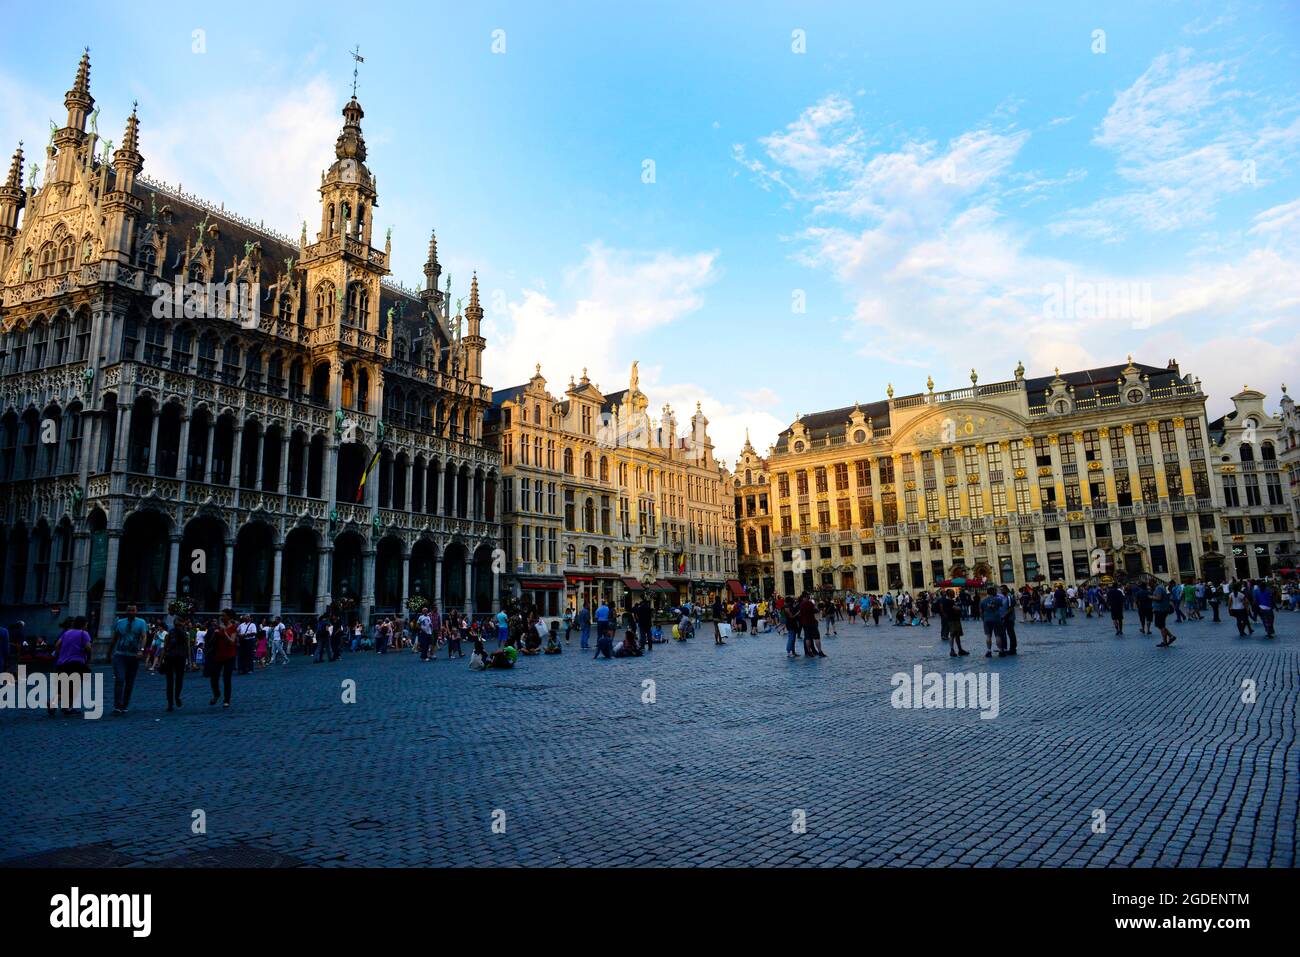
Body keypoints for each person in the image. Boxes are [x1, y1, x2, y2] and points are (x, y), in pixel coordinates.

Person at [49, 616, 94, 716]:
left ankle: (64, 707)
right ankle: (58, 704)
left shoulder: (67, 633)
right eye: (86, 624)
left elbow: (57, 645)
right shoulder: (84, 633)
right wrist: (87, 654)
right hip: (76, 663)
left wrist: (61, 654)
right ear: (83, 624)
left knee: (63, 686)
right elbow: (88, 648)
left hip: (62, 663)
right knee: (73, 687)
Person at [110, 605, 148, 715]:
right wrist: (109, 652)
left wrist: (141, 650)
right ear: (126, 611)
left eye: (133, 610)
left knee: (129, 682)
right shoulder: (120, 622)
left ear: (136, 611)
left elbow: (144, 636)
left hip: (133, 655)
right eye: (129, 610)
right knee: (120, 679)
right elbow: (115, 637)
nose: (131, 612)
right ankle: (117, 705)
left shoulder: (141, 622)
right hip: (120, 654)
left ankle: (124, 704)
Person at [206, 610, 238, 707]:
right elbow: (210, 641)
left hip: (229, 656)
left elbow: (232, 642)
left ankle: (226, 699)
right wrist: (214, 633)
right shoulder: (218, 628)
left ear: (229, 617)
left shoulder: (233, 628)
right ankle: (216, 694)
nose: (221, 617)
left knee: (226, 678)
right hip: (218, 656)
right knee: (213, 678)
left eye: (223, 616)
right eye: (221, 616)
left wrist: (224, 632)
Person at [161, 615, 191, 712]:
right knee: (174, 681)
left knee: (175, 680)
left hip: (177, 658)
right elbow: (165, 647)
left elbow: (187, 647)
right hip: (173, 658)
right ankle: (172, 701)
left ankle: (174, 699)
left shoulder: (180, 633)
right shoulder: (173, 633)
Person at [980, 586, 1006, 658]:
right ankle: (1001, 651)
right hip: (996, 619)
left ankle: (988, 651)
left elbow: (981, 611)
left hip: (987, 619)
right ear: (993, 592)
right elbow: (1001, 605)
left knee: (988, 636)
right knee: (998, 635)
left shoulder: (983, 600)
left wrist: (983, 619)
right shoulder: (997, 599)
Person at [798, 592, 825, 658]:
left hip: (804, 623)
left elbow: (800, 613)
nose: (809, 596)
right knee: (816, 637)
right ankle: (820, 651)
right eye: (808, 595)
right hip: (811, 622)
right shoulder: (810, 603)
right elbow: (815, 610)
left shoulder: (801, 604)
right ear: (806, 596)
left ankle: (809, 652)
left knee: (807, 637)